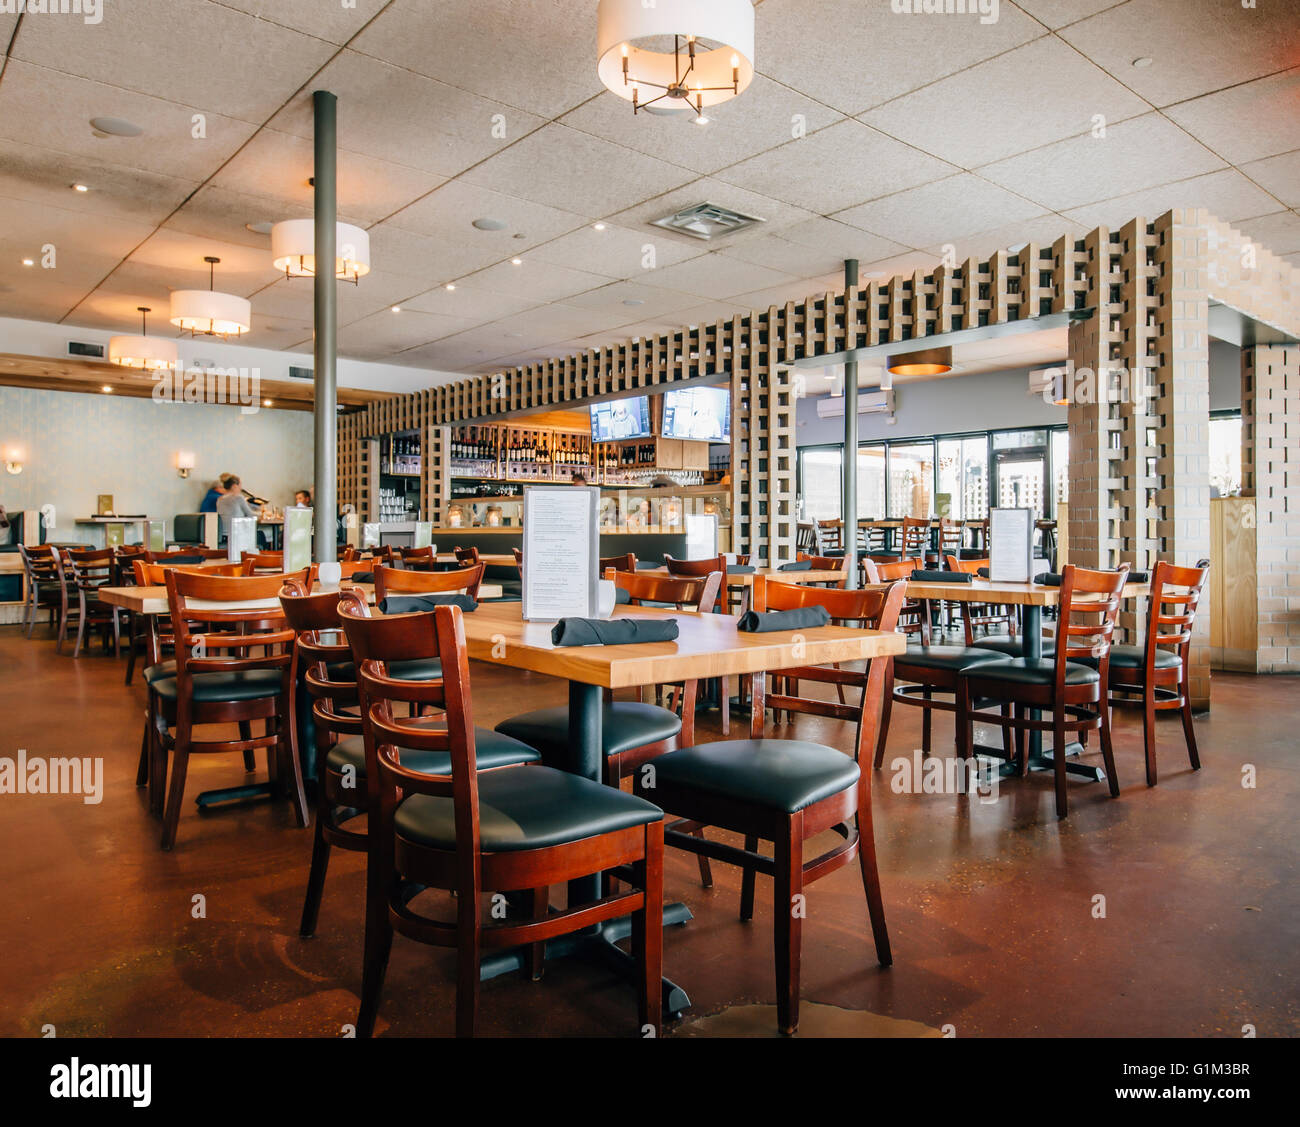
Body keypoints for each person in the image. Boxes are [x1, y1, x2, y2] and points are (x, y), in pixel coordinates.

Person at [215, 474, 260, 542]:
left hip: (223, 536)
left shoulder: (220, 499)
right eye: (240, 485)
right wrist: (262, 515)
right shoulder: (238, 497)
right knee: (261, 535)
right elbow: (250, 514)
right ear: (234, 486)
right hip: (237, 535)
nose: (241, 488)